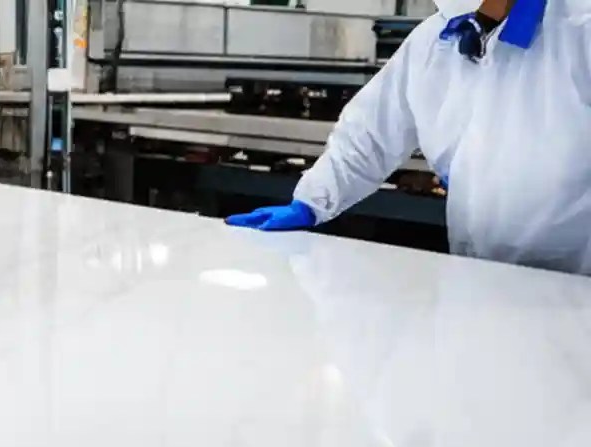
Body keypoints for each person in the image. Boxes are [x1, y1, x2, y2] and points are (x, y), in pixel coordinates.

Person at [226, 0, 591, 275]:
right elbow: (370, 133)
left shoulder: (577, 29)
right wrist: (311, 202)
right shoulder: (437, 40)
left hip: (573, 294)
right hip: (476, 282)